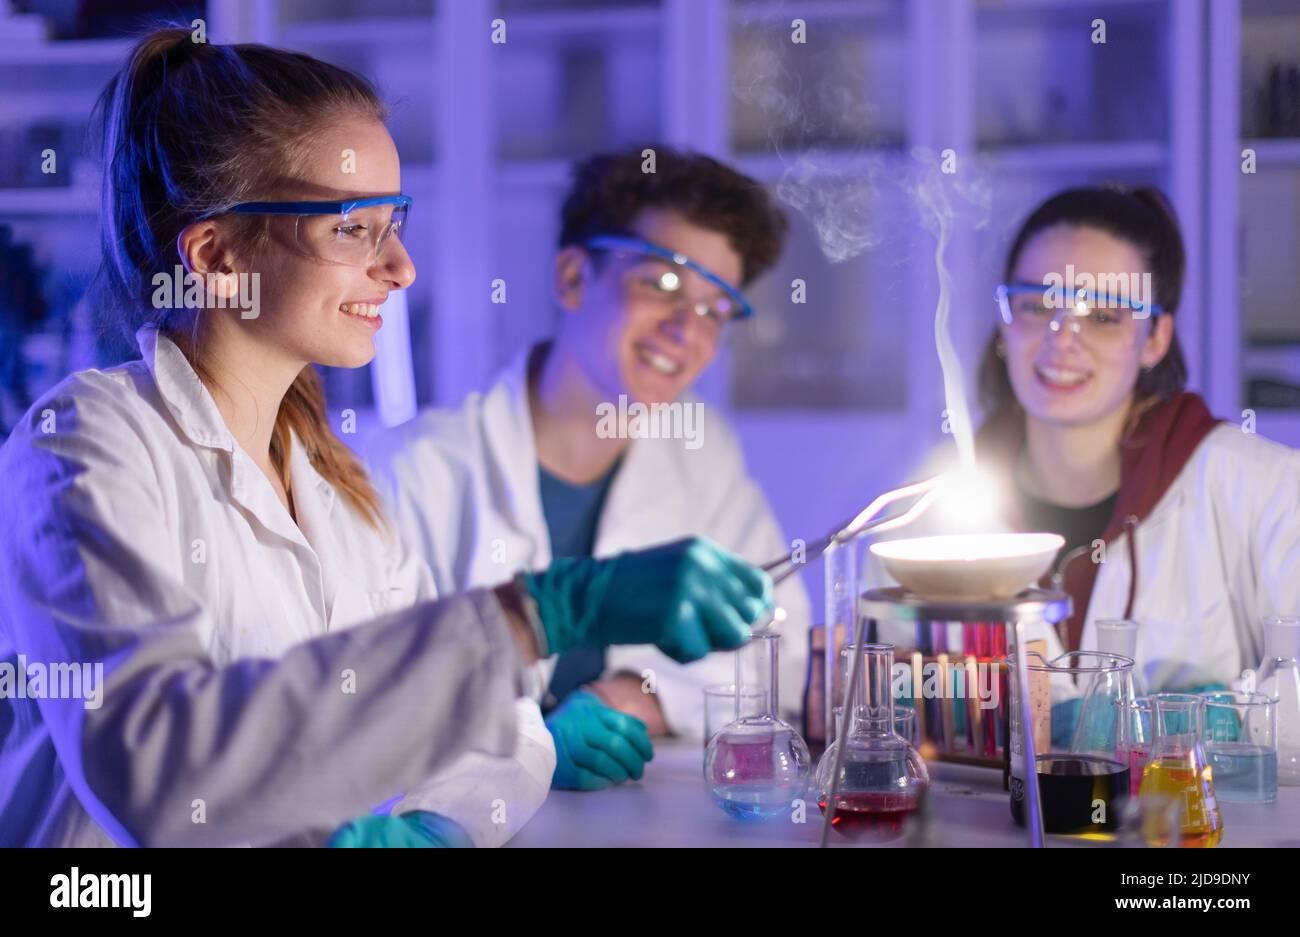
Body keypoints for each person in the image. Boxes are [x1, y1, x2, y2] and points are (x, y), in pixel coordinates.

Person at [0, 29, 769, 848]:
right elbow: (156, 773)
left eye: (392, 221)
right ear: (217, 255)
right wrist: (532, 616)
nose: (401, 266)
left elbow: (492, 734)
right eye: (352, 229)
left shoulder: (337, 491)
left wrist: (441, 821)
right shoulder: (84, 445)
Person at [366, 147, 811, 791]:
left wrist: (634, 695)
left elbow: (780, 647)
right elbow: (361, 694)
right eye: (662, 285)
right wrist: (526, 741)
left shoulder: (703, 455)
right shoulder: (416, 471)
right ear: (574, 277)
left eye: (716, 310)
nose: (688, 331)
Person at [874, 184, 1300, 693]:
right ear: (1004, 324)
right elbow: (881, 689)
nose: (1061, 340)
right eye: (1035, 305)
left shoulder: (1262, 487)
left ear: (1156, 339)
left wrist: (1211, 725)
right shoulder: (932, 498)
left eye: (1102, 315)